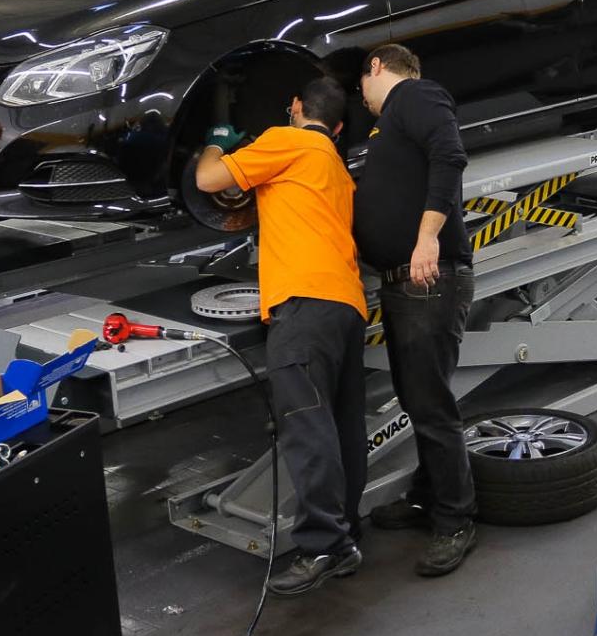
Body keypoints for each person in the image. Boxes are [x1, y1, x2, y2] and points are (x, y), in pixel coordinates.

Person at [195, 75, 369, 597]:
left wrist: (219, 141)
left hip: (304, 306)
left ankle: (324, 546)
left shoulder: (286, 139)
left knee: (305, 426)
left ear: (294, 106)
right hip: (345, 304)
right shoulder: (335, 166)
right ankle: (346, 533)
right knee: (340, 426)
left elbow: (209, 179)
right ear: (338, 128)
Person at [354, 43, 479, 577]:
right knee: (418, 398)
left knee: (429, 404)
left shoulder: (414, 95)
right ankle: (429, 497)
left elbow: (450, 155)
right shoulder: (392, 126)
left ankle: (456, 520)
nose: (362, 98)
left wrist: (427, 238)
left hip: (429, 275)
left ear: (377, 68)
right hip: (405, 284)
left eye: (361, 84)